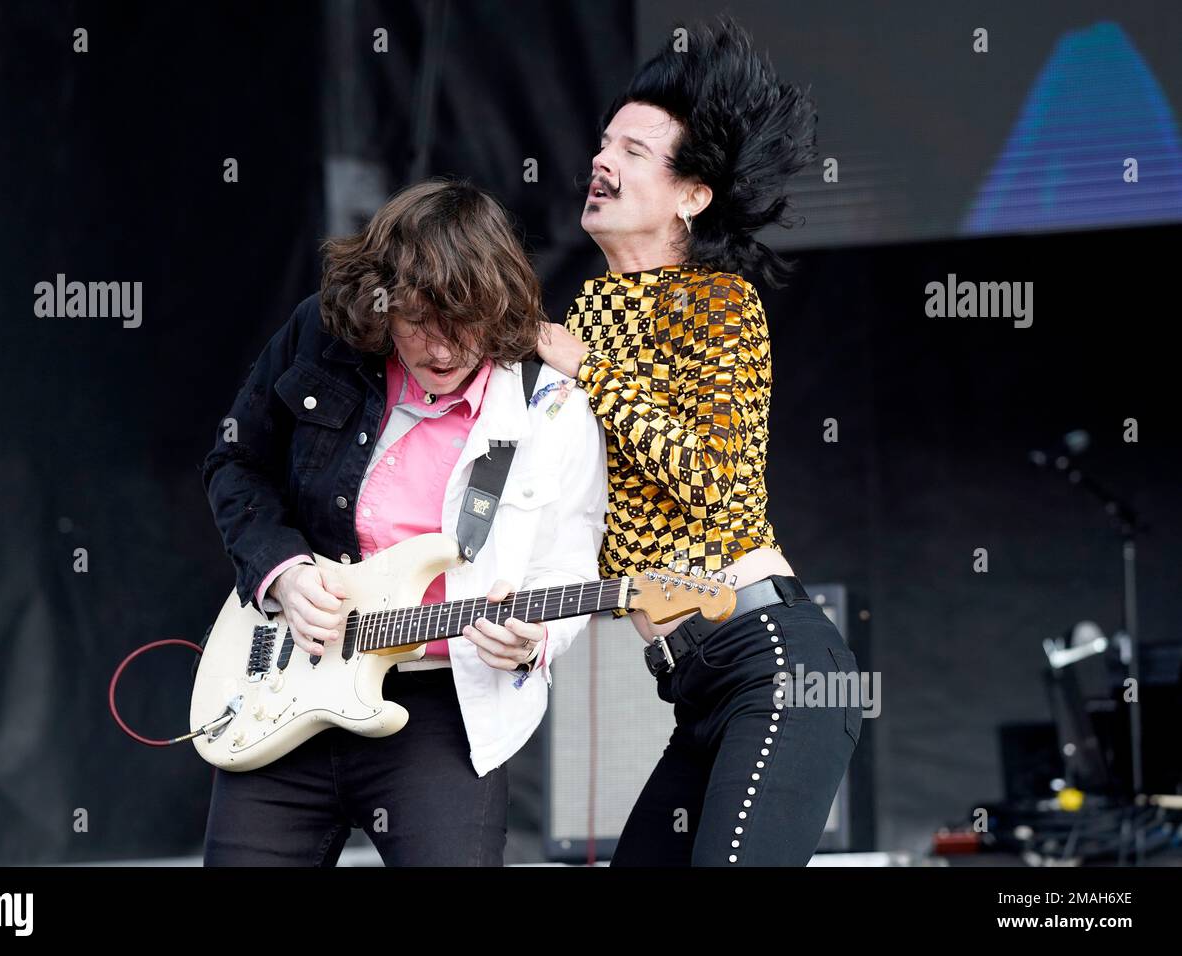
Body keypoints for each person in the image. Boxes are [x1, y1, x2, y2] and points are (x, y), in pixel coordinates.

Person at [201, 178, 607, 865]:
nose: (441, 348)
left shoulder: (551, 408)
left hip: (446, 706)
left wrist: (536, 638)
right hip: (284, 678)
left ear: (502, 306)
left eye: (464, 323)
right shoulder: (320, 337)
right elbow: (237, 461)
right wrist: (284, 573)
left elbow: (570, 563)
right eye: (417, 321)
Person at [536, 19, 862, 866]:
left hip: (776, 666)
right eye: (604, 141)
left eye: (635, 151)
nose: (601, 160)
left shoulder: (718, 305)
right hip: (694, 682)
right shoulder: (590, 313)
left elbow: (719, 487)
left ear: (693, 195)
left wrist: (587, 367)